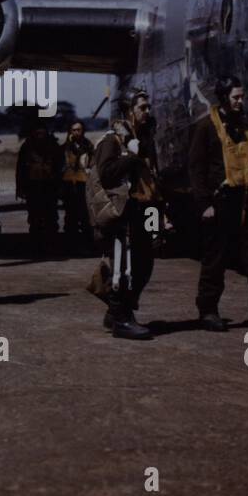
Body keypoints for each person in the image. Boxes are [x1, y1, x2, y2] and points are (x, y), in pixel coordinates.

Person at [188, 76, 248, 331]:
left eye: (242, 96)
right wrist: (204, 203)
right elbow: (196, 169)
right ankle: (208, 312)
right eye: (236, 97)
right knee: (215, 260)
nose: (241, 101)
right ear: (224, 97)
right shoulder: (205, 127)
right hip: (221, 202)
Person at [92, 89, 161, 340]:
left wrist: (159, 220)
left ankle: (116, 312)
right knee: (124, 267)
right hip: (124, 214)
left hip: (147, 208)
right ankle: (122, 320)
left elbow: (152, 179)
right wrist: (132, 157)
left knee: (146, 264)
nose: (147, 111)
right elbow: (107, 174)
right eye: (142, 107)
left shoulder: (144, 140)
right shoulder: (113, 141)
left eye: (147, 107)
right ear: (129, 111)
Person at [15, 121, 63, 252]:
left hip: (49, 187)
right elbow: (20, 169)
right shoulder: (27, 147)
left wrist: (60, 187)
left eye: (42, 131)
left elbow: (60, 168)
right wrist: (20, 188)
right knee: (35, 219)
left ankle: (52, 245)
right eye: (37, 132)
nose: (40, 134)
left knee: (51, 218)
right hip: (33, 187)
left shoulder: (53, 146)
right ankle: (36, 245)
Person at [60, 119, 94, 249]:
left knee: (86, 217)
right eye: (73, 130)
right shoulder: (65, 148)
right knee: (70, 218)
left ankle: (88, 245)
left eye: (78, 130)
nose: (76, 132)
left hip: (84, 185)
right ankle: (70, 245)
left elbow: (93, 162)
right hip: (69, 186)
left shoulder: (88, 146)